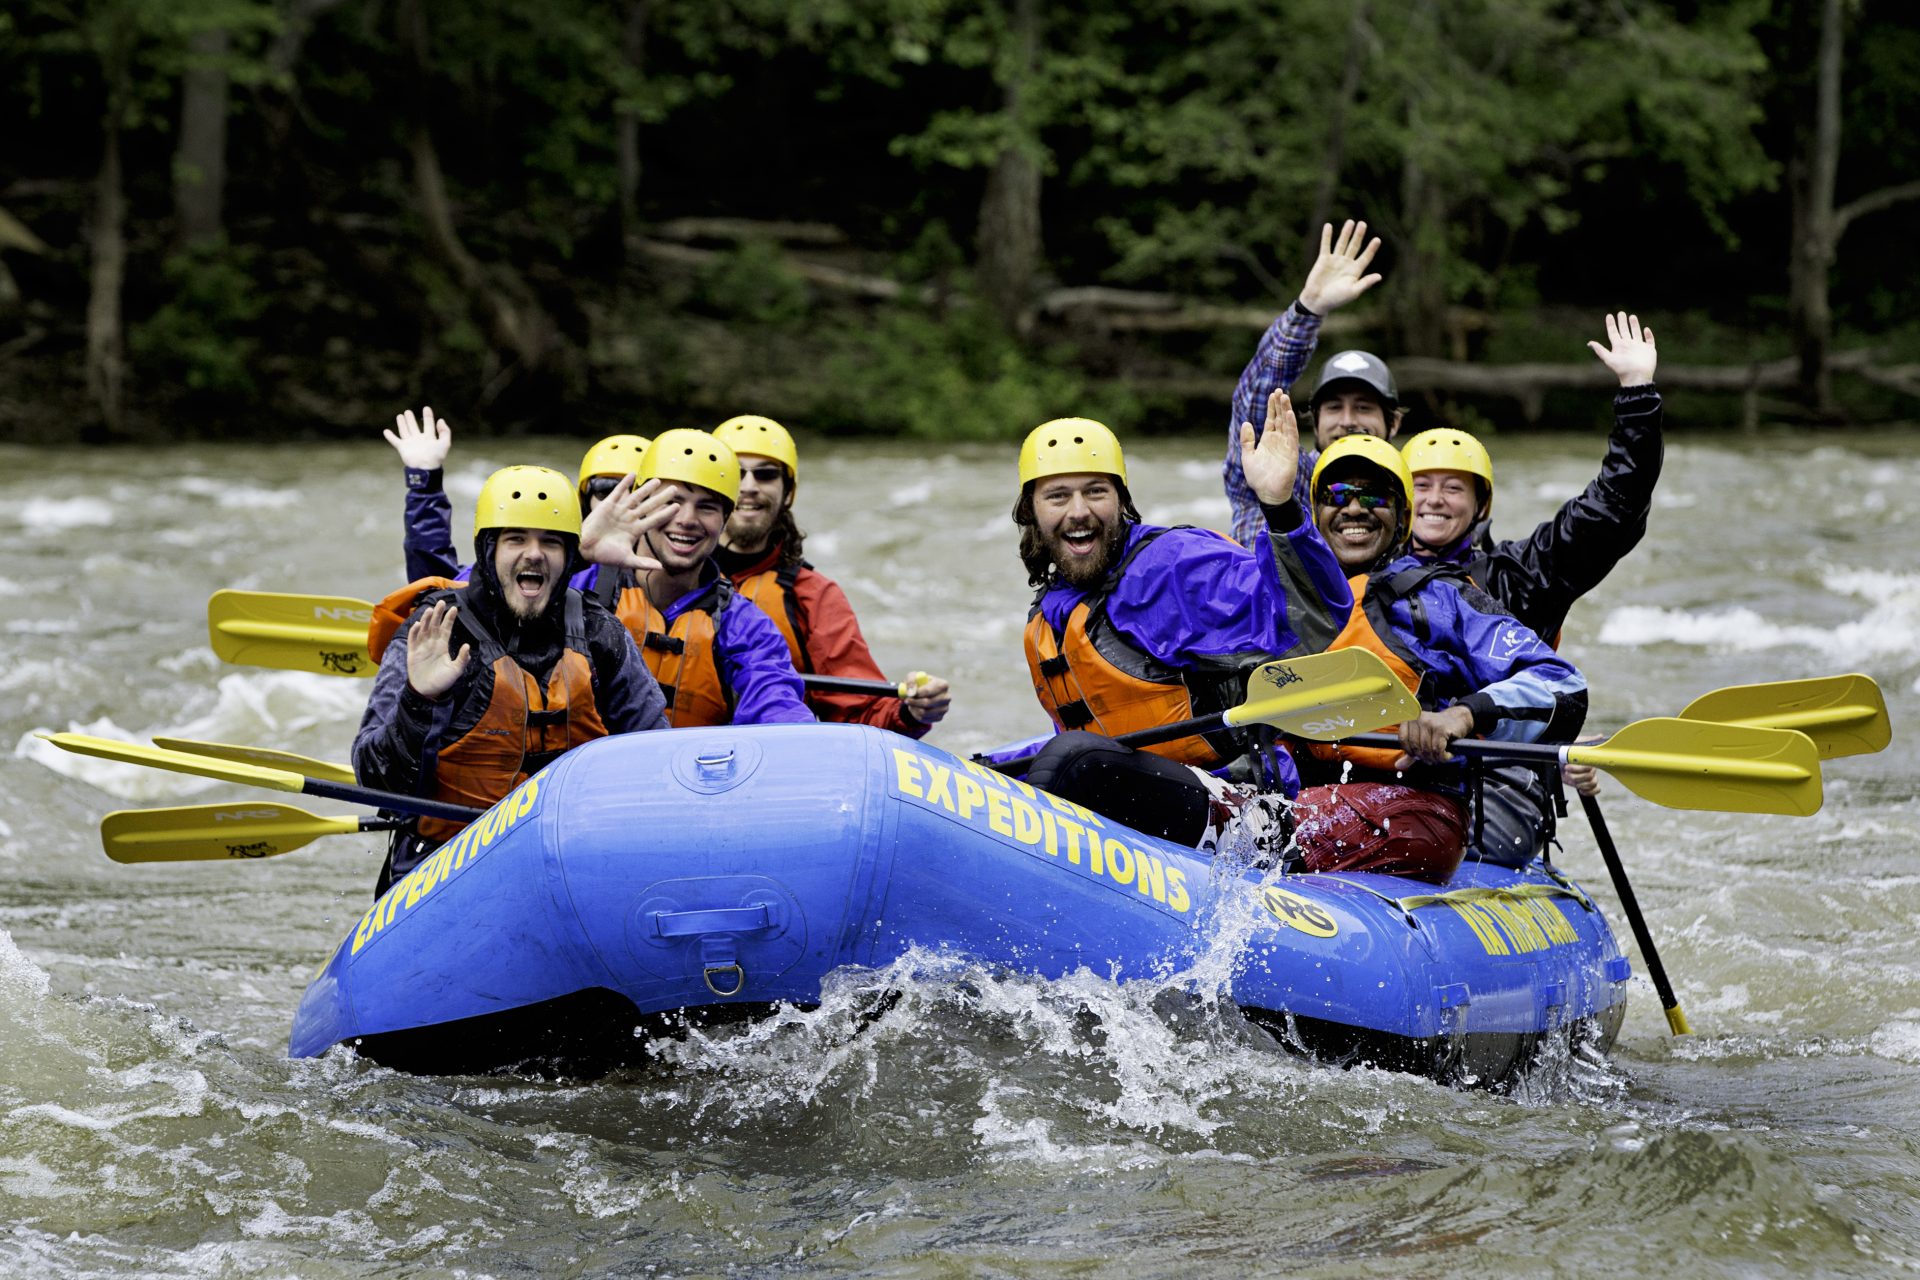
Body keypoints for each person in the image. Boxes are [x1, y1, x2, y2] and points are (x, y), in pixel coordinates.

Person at [1001, 407, 1354, 846]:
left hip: (1245, 809)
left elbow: (1312, 614)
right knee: (1030, 766)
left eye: (1095, 491)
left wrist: (1280, 509)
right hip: (1128, 802)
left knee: (1074, 763)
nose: (1079, 511)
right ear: (1031, 512)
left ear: (1121, 501)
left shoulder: (1174, 566)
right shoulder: (1047, 618)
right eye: (1057, 496)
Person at [1272, 433, 1589, 880]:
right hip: (1297, 795)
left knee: (1265, 827)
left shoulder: (1442, 597)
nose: (1355, 508)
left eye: (1374, 496)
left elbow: (1563, 682)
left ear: (1403, 518)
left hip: (1412, 809)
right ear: (1316, 512)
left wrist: (1461, 716)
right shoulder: (1275, 594)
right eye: (1338, 494)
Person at [353, 465, 669, 896]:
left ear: (569, 557)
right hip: (445, 867)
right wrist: (419, 700)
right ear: (488, 550)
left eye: (550, 542)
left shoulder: (599, 633)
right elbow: (374, 780)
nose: (534, 553)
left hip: (573, 867)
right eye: (516, 539)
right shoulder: (437, 631)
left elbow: (656, 761)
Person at [1399, 311, 1664, 645]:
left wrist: (1637, 394)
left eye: (1453, 488)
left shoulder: (1518, 578)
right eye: (1421, 486)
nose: (1434, 499)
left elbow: (1611, 511)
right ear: (1400, 500)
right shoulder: (1368, 573)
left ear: (1480, 506)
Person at [711, 413, 951, 736]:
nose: (748, 486)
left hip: (769, 763)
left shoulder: (813, 596)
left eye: (765, 475)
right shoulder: (662, 578)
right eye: (736, 474)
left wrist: (911, 712)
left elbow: (862, 715)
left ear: (788, 493)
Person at [584, 428, 815, 728]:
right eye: (672, 501)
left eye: (707, 507)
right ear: (641, 504)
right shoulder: (579, 589)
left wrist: (796, 735)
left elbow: (776, 703)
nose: (687, 519)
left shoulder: (746, 627)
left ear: (725, 520)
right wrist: (578, 553)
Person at [1222, 220, 1399, 546]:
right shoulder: (1280, 473)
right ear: (1313, 420)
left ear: (1394, 422)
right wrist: (1309, 308)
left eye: (1363, 407)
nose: (1348, 421)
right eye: (1334, 407)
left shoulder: (1408, 495)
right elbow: (1258, 397)